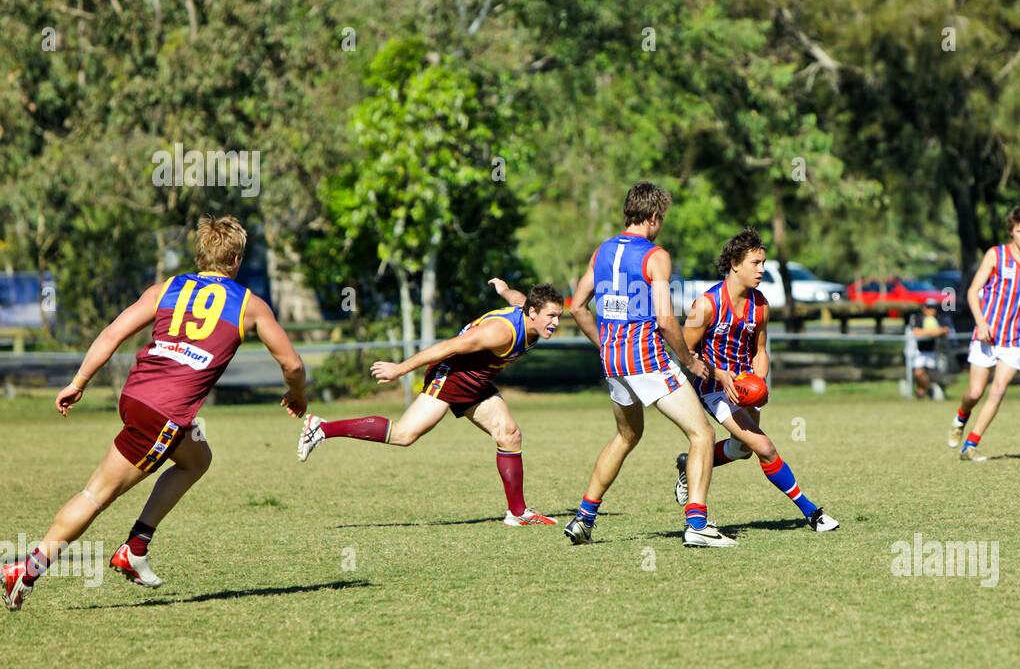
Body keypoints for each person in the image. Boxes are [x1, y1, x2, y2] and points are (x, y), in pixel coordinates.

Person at [3, 217, 306, 612]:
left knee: (197, 458)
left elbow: (113, 332)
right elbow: (294, 366)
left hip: (136, 397)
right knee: (96, 495)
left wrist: (79, 381)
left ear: (200, 255)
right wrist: (297, 394)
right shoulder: (250, 305)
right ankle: (25, 570)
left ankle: (136, 546)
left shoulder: (167, 288)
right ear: (235, 260)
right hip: (163, 415)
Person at [297, 280, 564, 527]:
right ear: (532, 313)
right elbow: (447, 347)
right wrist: (400, 369)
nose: (555, 322)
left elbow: (517, 297)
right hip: (451, 376)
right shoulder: (500, 333)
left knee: (510, 435)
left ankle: (517, 513)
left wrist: (503, 288)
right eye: (551, 316)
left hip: (477, 381)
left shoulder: (527, 312)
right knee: (404, 435)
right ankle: (321, 429)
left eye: (558, 316)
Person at [565, 182, 734, 547]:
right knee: (702, 434)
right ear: (654, 217)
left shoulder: (602, 251)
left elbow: (577, 307)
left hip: (614, 363)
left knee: (627, 435)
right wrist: (690, 360)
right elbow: (665, 319)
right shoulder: (655, 256)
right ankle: (697, 526)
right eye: (663, 219)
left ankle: (583, 519)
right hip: (647, 359)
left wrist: (604, 343)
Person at [675, 228, 838, 531]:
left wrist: (759, 379)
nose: (762, 269)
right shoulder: (705, 305)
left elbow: (760, 352)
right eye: (755, 263)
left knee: (742, 449)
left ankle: (690, 464)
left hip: (743, 388)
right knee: (765, 448)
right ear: (735, 263)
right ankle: (812, 513)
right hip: (712, 389)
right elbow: (685, 354)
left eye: (763, 262)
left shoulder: (760, 304)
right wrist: (720, 375)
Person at [947, 208, 1020, 461]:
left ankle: (970, 445)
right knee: (974, 392)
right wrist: (980, 323)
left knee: (999, 390)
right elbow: (972, 291)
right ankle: (961, 417)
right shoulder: (996, 255)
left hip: (1015, 338)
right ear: (1011, 231)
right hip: (987, 335)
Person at [909, 299, 953, 400]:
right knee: (918, 372)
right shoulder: (918, 318)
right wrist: (933, 332)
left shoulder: (939, 317)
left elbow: (946, 329)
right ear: (924, 308)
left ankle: (921, 392)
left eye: (933, 308)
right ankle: (929, 390)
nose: (931, 310)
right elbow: (916, 332)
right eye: (929, 308)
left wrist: (932, 332)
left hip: (934, 350)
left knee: (925, 373)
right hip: (918, 350)